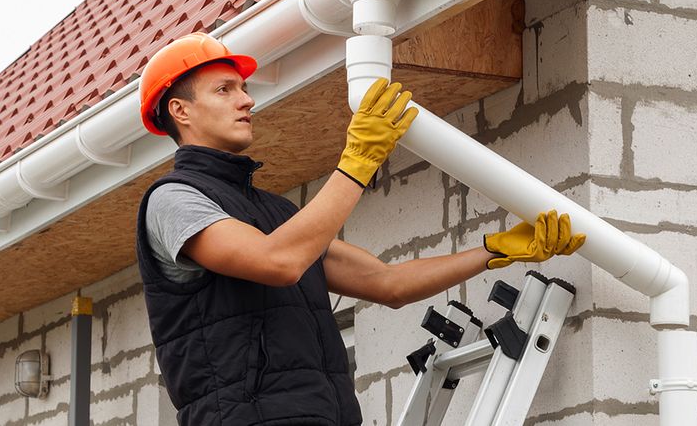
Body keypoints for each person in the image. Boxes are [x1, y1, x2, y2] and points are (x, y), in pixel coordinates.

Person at [135, 32, 586, 425]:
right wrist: (358, 161)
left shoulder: (275, 213)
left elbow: (387, 283)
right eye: (224, 89)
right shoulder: (173, 200)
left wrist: (494, 250)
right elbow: (279, 262)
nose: (247, 100)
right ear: (180, 110)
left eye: (245, 88)